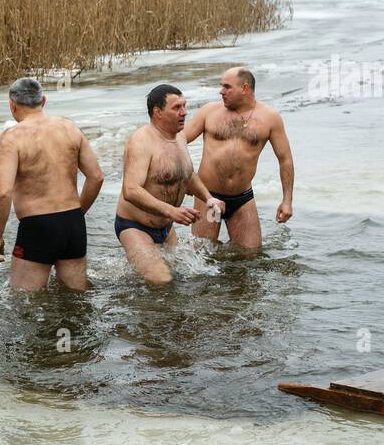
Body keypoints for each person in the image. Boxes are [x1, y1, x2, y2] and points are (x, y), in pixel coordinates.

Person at [0, 77, 103, 290]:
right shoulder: (69, 127)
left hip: (37, 226)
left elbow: (3, 192)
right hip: (73, 223)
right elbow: (96, 176)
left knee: (24, 303)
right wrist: (77, 212)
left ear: (12, 104)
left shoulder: (12, 136)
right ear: (43, 100)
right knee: (75, 299)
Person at [116, 84, 223, 285]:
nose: (184, 112)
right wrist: (171, 211)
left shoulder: (180, 137)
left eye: (184, 106)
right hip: (135, 227)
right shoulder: (141, 141)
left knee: (183, 278)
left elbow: (187, 174)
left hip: (166, 227)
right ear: (157, 112)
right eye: (176, 108)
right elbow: (130, 190)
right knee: (162, 281)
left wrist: (208, 198)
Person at [183, 67, 294, 250]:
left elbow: (285, 159)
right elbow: (177, 142)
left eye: (227, 87)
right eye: (221, 86)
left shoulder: (270, 118)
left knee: (250, 254)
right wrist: (187, 178)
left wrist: (287, 200)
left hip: (242, 199)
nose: (221, 91)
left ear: (244, 88)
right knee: (204, 253)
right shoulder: (209, 112)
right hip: (209, 198)